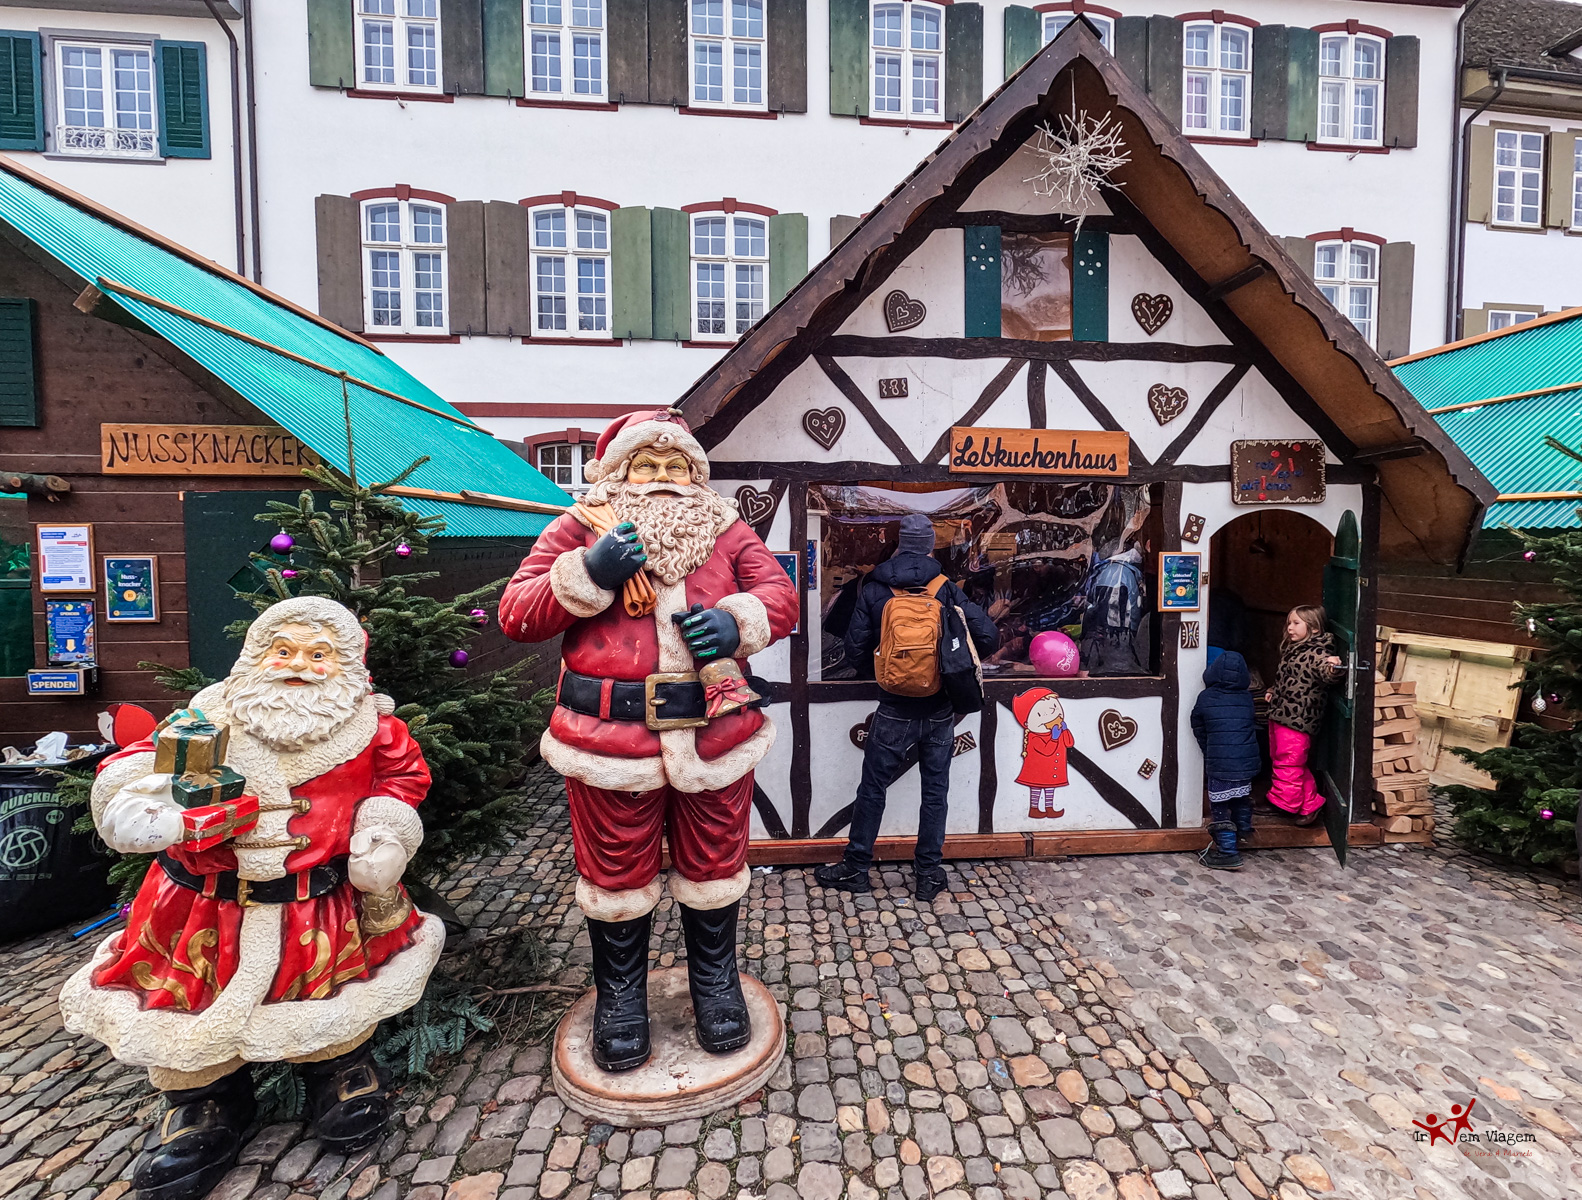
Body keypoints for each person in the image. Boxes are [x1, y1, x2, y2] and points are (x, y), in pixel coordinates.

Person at [60, 597, 444, 1200]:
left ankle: (338, 1072)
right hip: (202, 903)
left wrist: (384, 828)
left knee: (327, 993)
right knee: (188, 999)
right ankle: (202, 1102)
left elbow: (403, 779)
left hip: (313, 901)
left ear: (346, 665)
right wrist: (140, 800)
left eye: (318, 654)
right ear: (256, 656)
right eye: (283, 650)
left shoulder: (373, 728)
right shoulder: (208, 715)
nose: (299, 665)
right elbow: (146, 761)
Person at [499, 409, 798, 1073]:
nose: (663, 478)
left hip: (713, 733)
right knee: (615, 875)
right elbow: (516, 614)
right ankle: (621, 999)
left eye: (676, 466)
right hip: (610, 739)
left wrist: (736, 623)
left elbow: (780, 594)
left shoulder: (725, 528)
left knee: (714, 865)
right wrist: (589, 571)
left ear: (696, 476)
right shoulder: (581, 525)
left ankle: (714, 983)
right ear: (618, 473)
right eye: (647, 465)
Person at [814, 514, 999, 901]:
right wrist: (949, 666)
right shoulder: (944, 588)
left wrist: (888, 671)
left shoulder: (874, 588)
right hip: (940, 709)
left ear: (899, 545)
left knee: (872, 788)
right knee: (935, 791)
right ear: (930, 546)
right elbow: (988, 635)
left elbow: (854, 650)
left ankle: (857, 867)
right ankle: (928, 875)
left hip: (893, 708)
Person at [1266, 605, 1343, 826]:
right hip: (1281, 714)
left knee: (1288, 762)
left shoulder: (1318, 653)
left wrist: (1334, 668)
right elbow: (1287, 678)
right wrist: (1273, 691)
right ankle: (1310, 804)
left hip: (1298, 719)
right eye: (1289, 623)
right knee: (1286, 760)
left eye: (1296, 623)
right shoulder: (1296, 648)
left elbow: (1326, 673)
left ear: (1315, 628)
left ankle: (1285, 804)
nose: (1290, 628)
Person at [1191, 650, 1261, 870]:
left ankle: (1228, 852)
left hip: (1221, 764)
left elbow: (1197, 724)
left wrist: (1208, 749)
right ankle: (1244, 832)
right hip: (1245, 763)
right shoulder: (1246, 698)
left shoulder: (1206, 697)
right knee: (1241, 797)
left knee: (1220, 805)